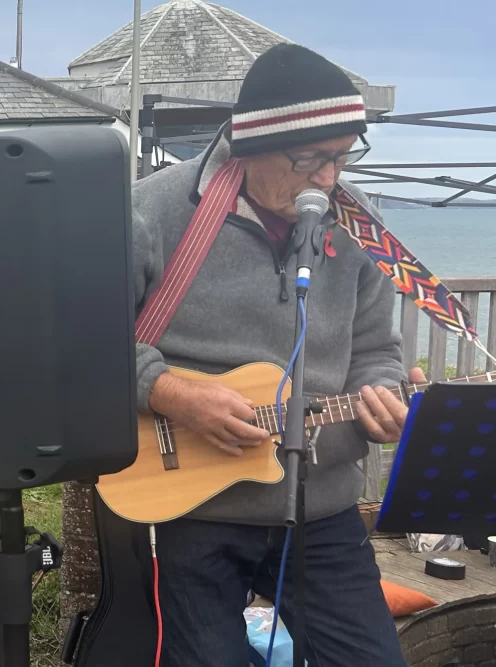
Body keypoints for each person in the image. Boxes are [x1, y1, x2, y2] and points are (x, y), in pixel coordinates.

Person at [132, 44, 421, 666]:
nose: (329, 180)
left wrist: (382, 393)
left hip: (325, 509)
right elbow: (83, 339)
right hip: (190, 507)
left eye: (342, 156)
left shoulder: (359, 228)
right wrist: (170, 392)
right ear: (249, 146)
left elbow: (377, 349)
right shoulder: (152, 211)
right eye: (310, 158)